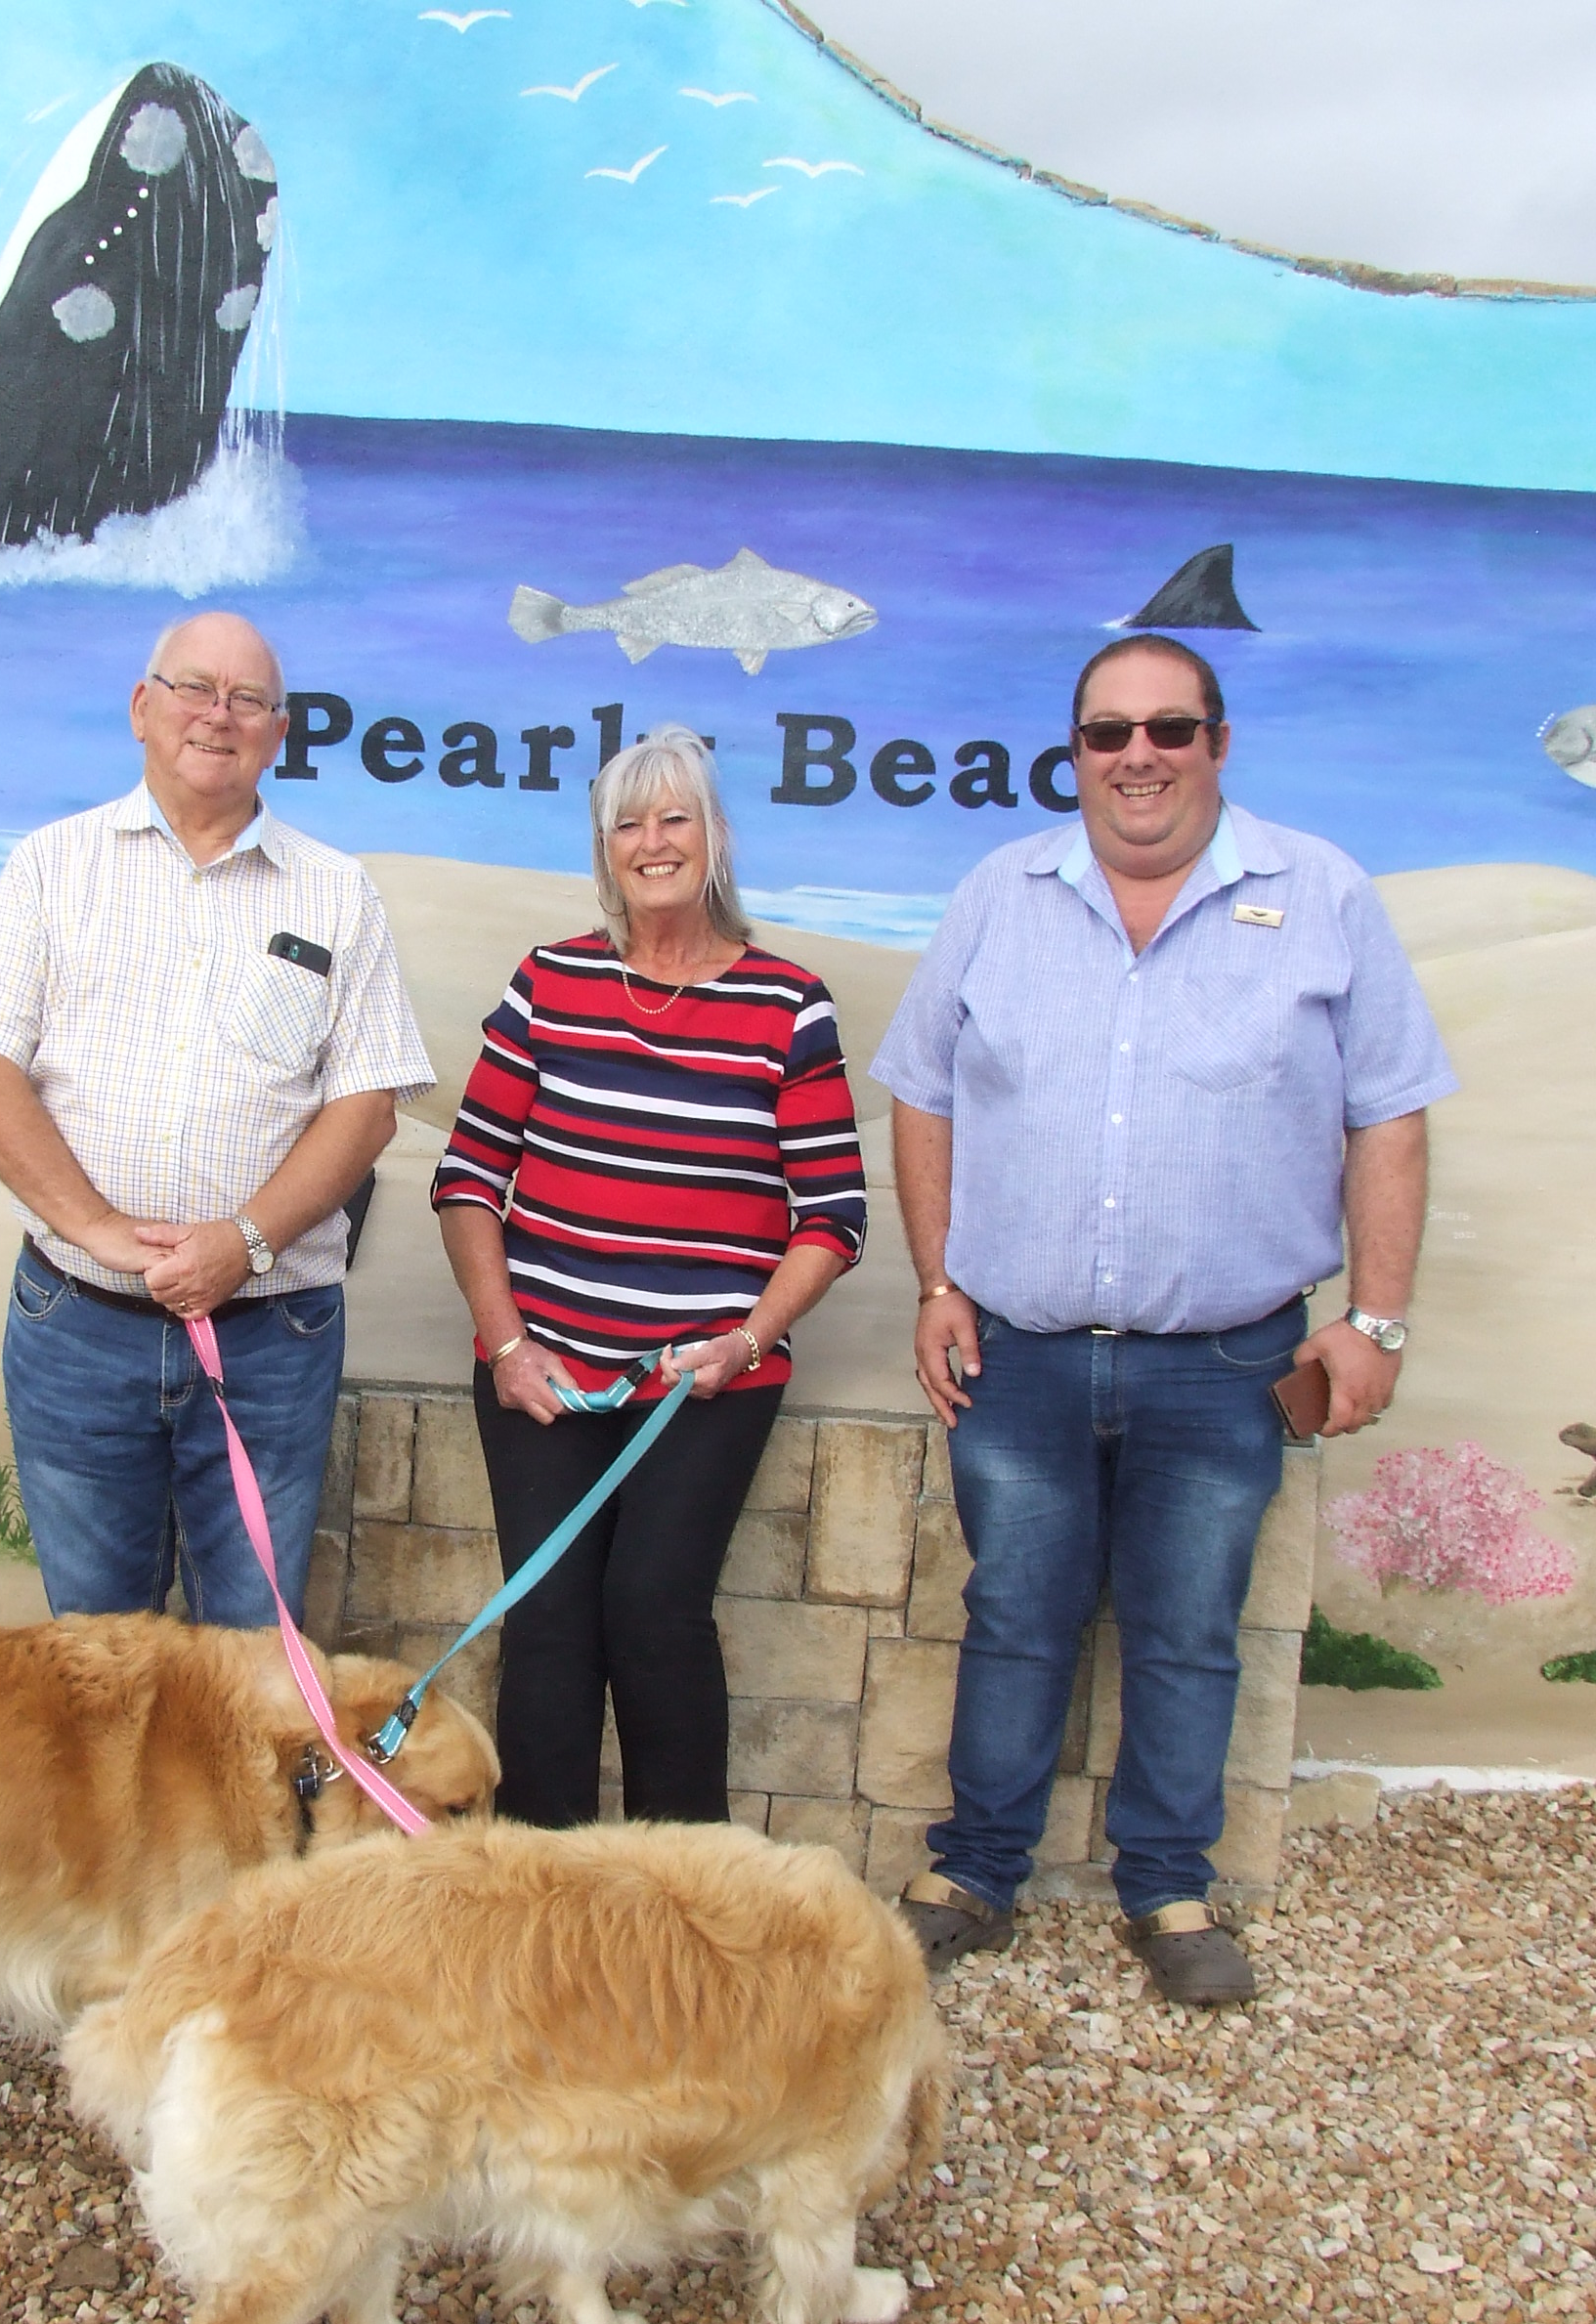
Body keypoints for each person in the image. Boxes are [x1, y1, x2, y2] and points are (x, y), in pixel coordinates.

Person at [871, 634, 1456, 2005]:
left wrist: (1377, 1320)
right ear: (1073, 753)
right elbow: (921, 1090)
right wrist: (939, 1282)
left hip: (1230, 1359)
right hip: (1019, 1353)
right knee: (1016, 1611)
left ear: (1218, 742)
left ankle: (1170, 1886)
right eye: (1107, 733)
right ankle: (978, 1866)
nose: (1139, 756)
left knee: (1190, 1626)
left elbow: (1391, 1112)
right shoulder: (998, 895)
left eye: (1170, 730)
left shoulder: (1322, 897)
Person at [0, 611, 433, 1625]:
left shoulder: (338, 893)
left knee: (250, 1668)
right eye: (194, 688)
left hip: (270, 1338)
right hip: (78, 1326)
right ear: (141, 707)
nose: (219, 715)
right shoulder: (52, 865)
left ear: (280, 732)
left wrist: (244, 1242)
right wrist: (97, 1231)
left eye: (248, 699)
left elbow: (368, 1106)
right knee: (97, 1659)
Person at [432, 725, 866, 1827]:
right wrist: (505, 1344)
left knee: (654, 1612)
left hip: (706, 1382)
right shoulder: (550, 981)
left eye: (676, 817)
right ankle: (545, 1896)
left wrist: (747, 1341)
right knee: (548, 1625)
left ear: (716, 837)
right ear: (603, 849)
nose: (652, 841)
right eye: (628, 822)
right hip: (546, 1378)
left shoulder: (787, 1004)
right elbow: (470, 1173)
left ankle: (686, 1900)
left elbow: (833, 1216)